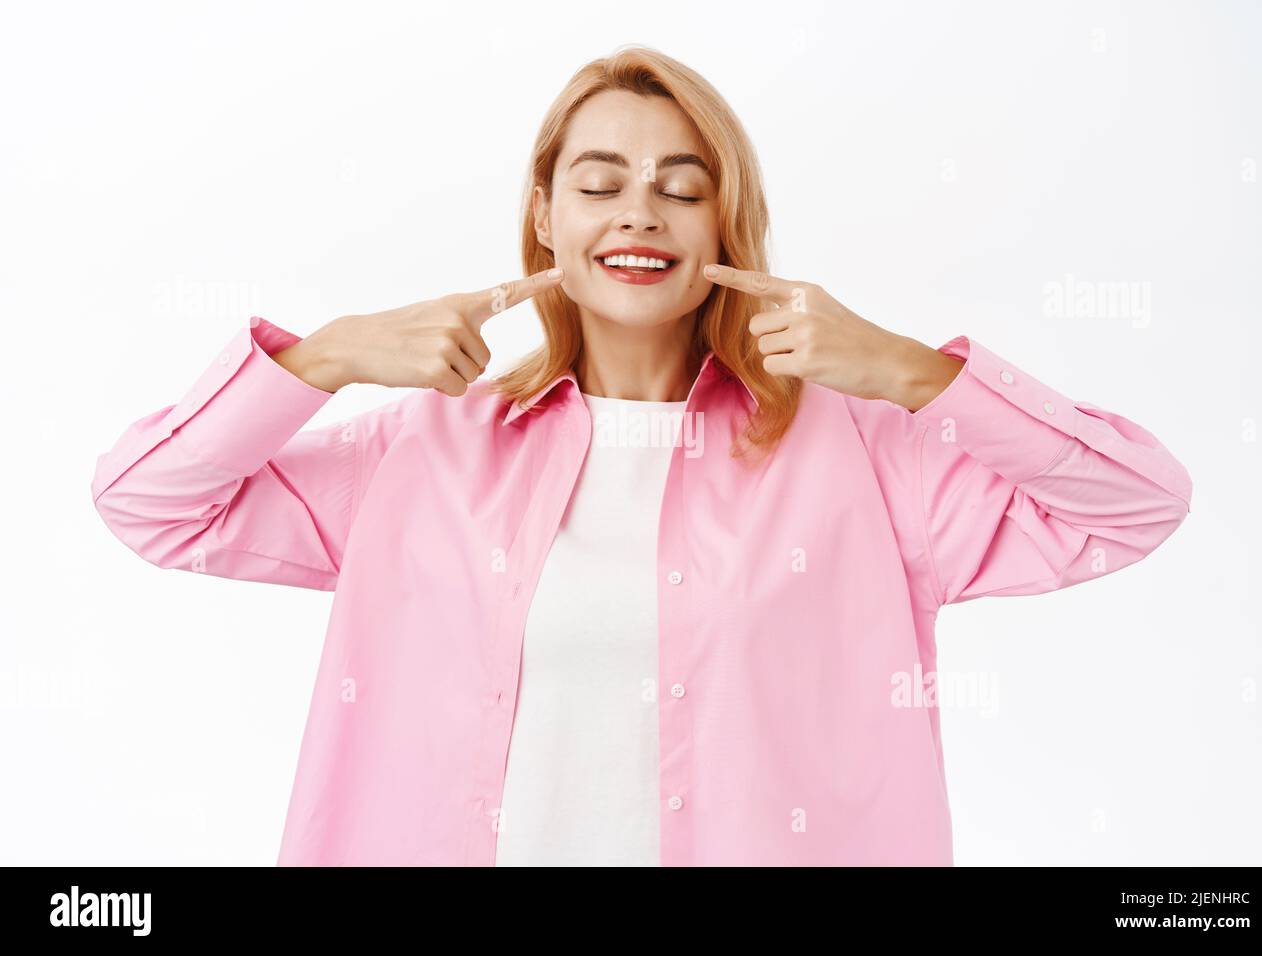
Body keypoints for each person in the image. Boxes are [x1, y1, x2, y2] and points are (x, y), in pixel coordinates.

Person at [90, 45, 1192, 866]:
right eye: (600, 180)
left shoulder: (862, 456)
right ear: (546, 213)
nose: (640, 213)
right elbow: (150, 502)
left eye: (682, 184)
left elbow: (1135, 502)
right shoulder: (424, 449)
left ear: (724, 223)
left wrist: (907, 370)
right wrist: (325, 356)